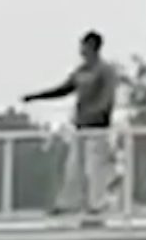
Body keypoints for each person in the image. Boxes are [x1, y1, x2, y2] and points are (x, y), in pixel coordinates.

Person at [23, 30, 119, 219]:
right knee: (73, 166)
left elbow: (108, 97)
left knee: (95, 166)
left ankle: (97, 204)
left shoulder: (105, 70)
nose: (81, 50)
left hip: (97, 128)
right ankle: (68, 204)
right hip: (81, 127)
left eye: (84, 46)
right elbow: (63, 89)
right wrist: (36, 96)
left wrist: (99, 114)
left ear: (93, 47)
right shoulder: (81, 71)